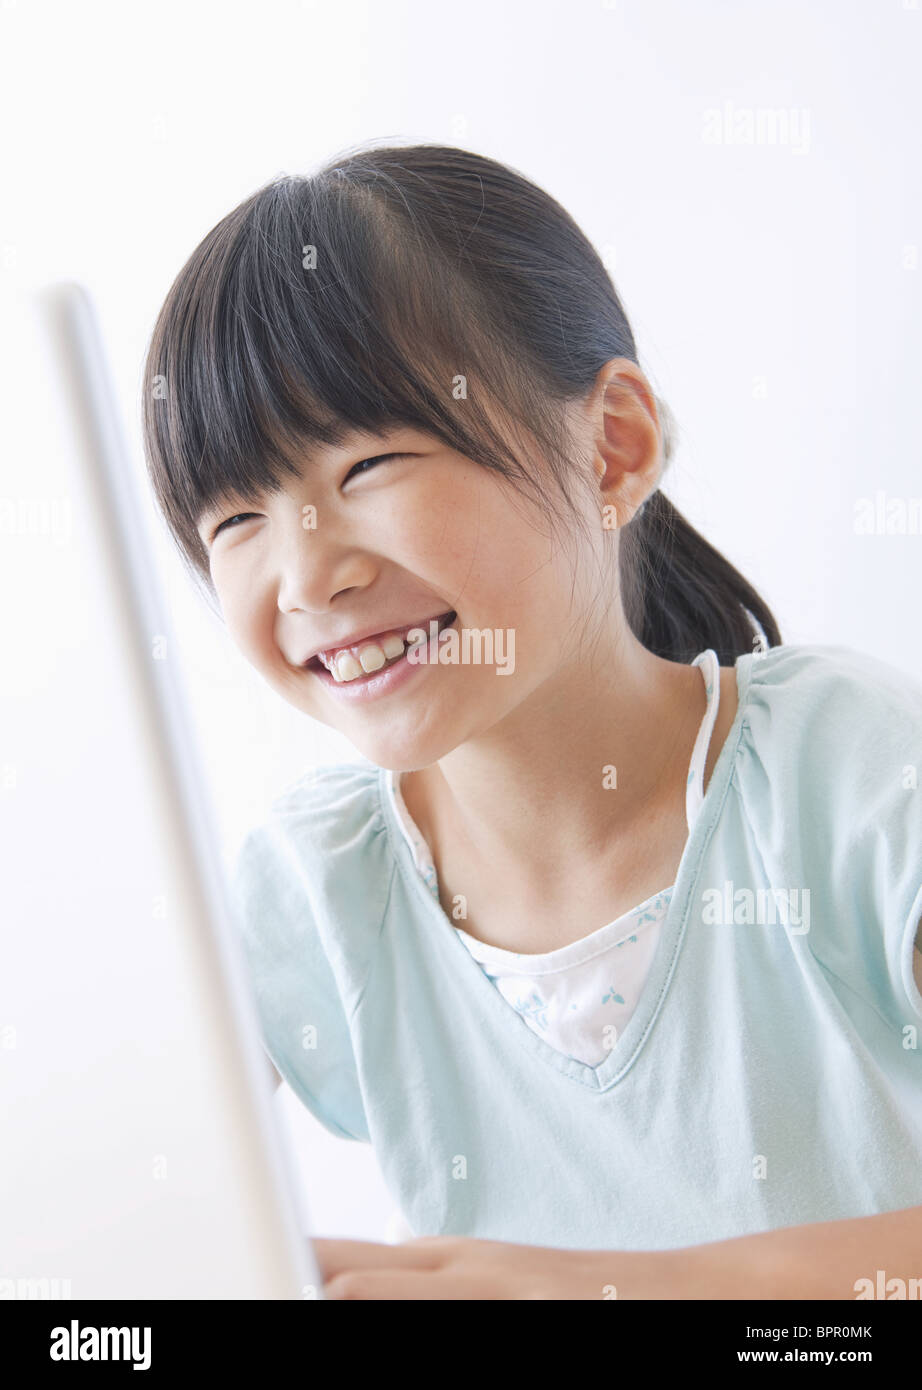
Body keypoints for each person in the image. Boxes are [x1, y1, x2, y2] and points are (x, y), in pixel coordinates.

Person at [141, 143, 922, 1300]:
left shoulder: (852, 782)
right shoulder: (313, 893)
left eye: (370, 464)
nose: (308, 579)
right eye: (237, 517)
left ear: (613, 447)